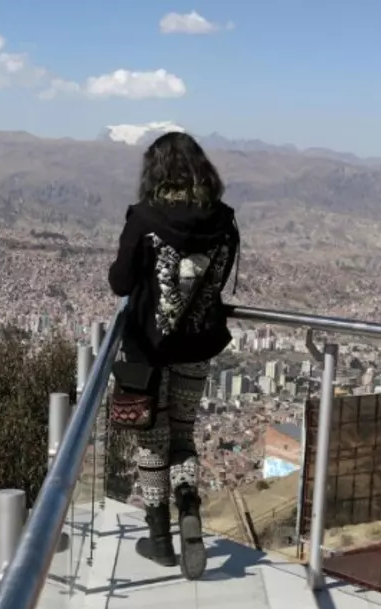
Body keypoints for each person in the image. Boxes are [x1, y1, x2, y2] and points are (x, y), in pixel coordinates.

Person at [108, 132, 241, 580]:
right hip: (197, 347)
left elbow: (120, 283)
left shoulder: (144, 217)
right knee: (183, 437)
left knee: (152, 440)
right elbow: (218, 283)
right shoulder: (223, 220)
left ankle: (160, 541)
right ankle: (189, 511)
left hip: (147, 349)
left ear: (155, 172)